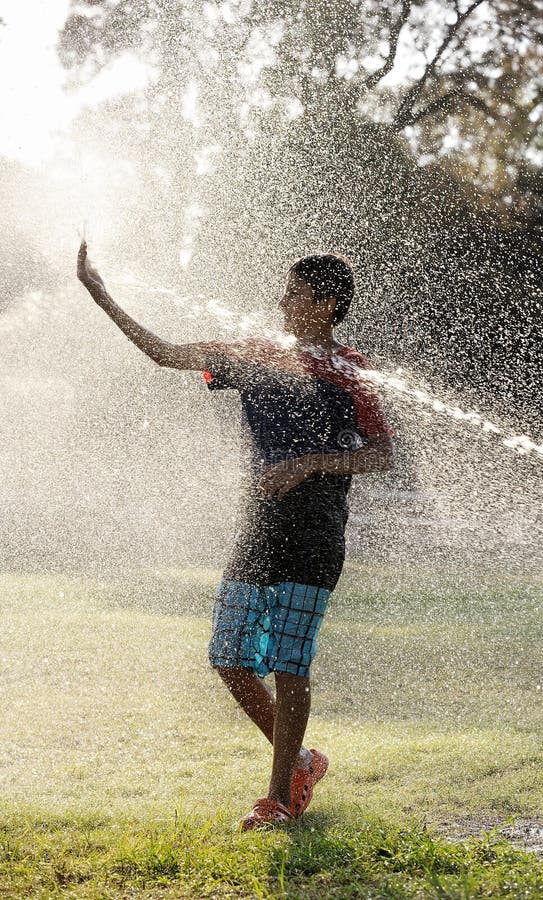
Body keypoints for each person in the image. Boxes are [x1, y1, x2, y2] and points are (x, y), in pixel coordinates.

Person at [77, 241, 395, 829]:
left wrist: (306, 465)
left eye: (295, 292)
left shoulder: (353, 372)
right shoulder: (256, 354)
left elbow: (383, 455)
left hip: (316, 531)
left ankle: (278, 800)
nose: (281, 301)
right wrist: (101, 296)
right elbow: (163, 353)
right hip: (258, 526)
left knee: (290, 663)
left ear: (326, 304)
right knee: (228, 657)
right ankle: (300, 760)